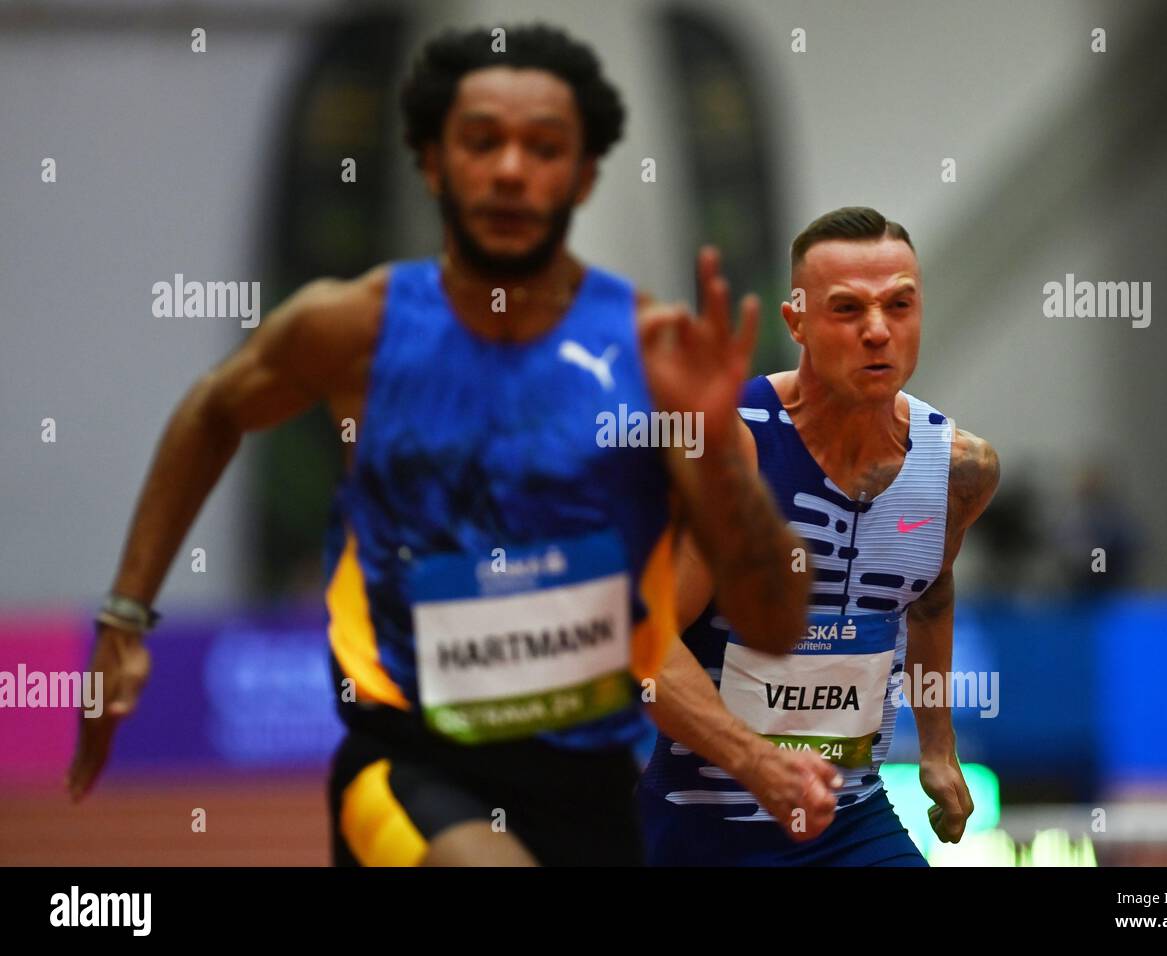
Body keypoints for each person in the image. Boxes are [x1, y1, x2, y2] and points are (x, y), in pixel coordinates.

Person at [66, 24, 811, 867]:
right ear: (431, 162)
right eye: (481, 141)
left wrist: (713, 445)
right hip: (409, 766)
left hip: (591, 783)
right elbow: (212, 412)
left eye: (543, 147)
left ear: (585, 174)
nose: (508, 170)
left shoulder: (652, 359)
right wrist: (125, 617)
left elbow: (772, 623)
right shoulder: (355, 329)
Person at [639, 206, 1001, 865]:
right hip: (695, 827)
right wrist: (756, 760)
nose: (877, 331)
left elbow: (928, 595)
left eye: (900, 305)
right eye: (847, 309)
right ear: (796, 322)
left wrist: (939, 748)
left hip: (849, 821)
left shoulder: (960, 469)